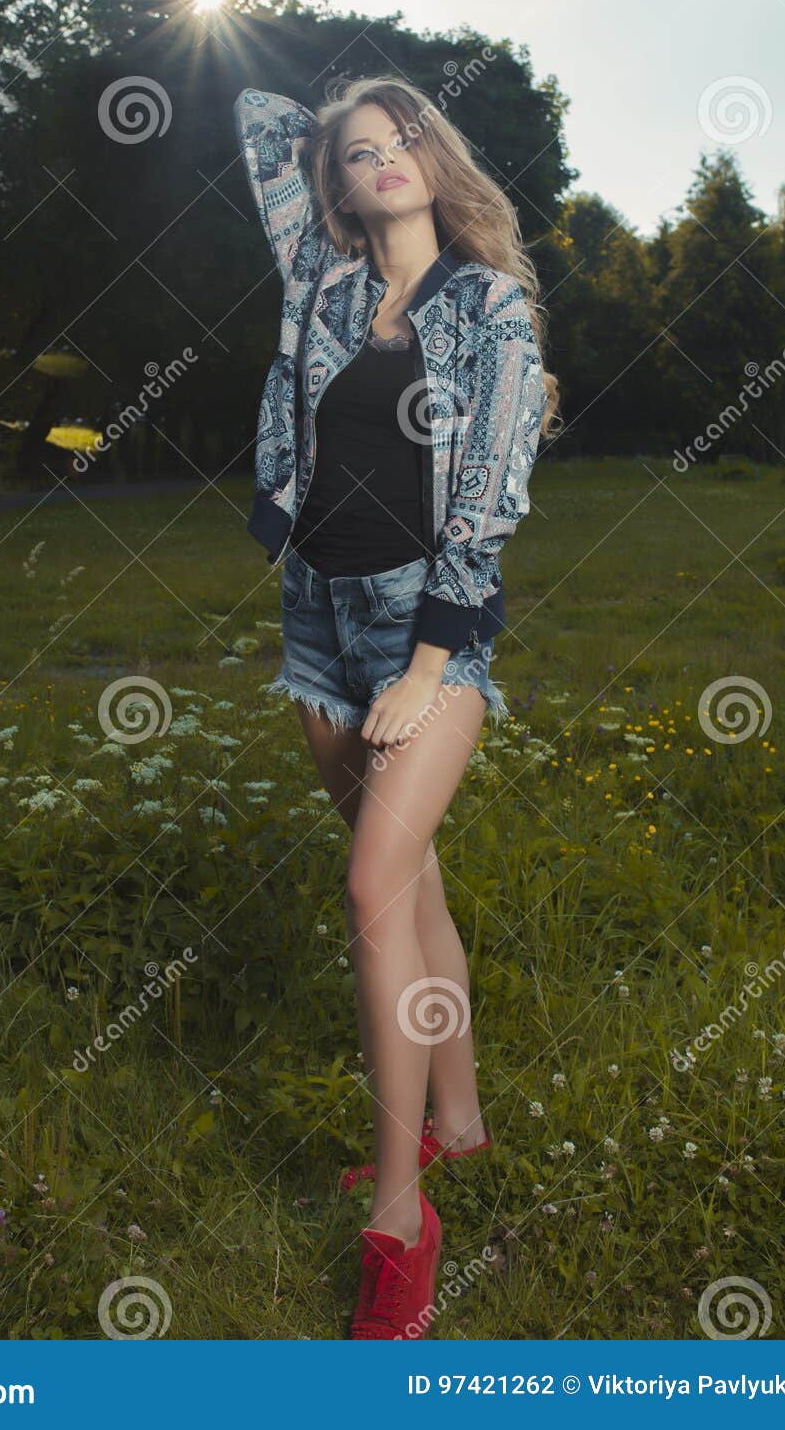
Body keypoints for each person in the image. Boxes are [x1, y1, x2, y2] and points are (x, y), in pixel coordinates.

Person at [234, 75, 561, 1339]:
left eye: (404, 137)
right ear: (334, 179)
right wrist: (337, 119)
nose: (382, 159)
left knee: (372, 891)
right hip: (317, 616)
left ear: (440, 156)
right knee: (409, 883)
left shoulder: (488, 308)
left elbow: (485, 493)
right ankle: (460, 1129)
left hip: (425, 623)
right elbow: (263, 121)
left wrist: (430, 664)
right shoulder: (318, 278)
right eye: (358, 152)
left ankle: (396, 1218)